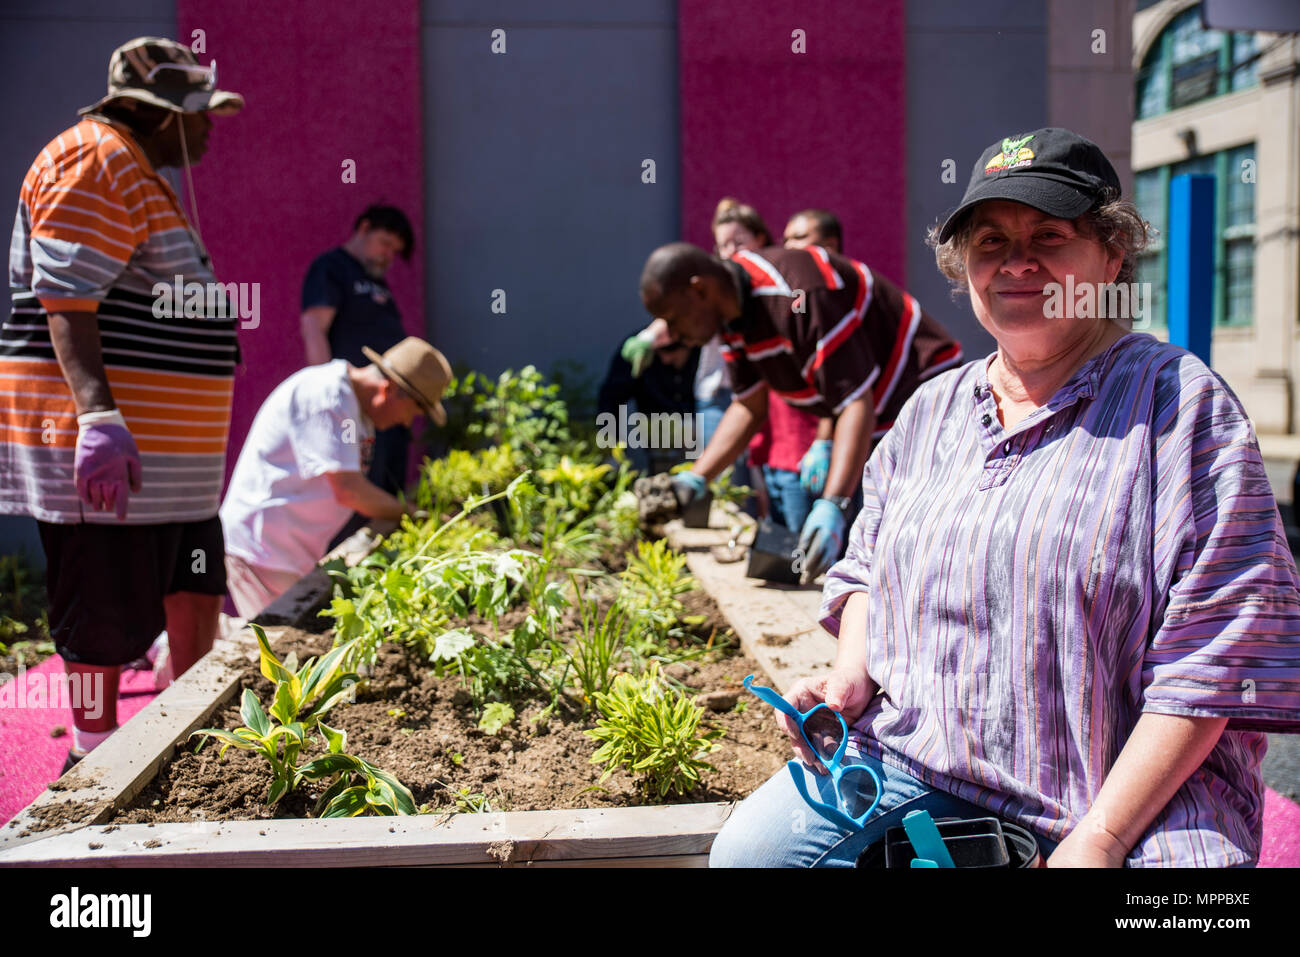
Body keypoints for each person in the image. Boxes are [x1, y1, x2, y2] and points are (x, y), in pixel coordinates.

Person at [709, 128, 1300, 868]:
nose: (1017, 262)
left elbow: (1216, 656)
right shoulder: (931, 411)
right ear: (964, 268)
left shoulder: (1185, 409)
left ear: (1111, 256)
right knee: (754, 856)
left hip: (1134, 800)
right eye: (991, 241)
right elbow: (866, 571)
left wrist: (1101, 838)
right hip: (917, 766)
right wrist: (852, 671)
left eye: (1049, 235)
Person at [0, 37, 243, 771]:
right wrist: (100, 417)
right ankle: (96, 756)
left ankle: (181, 730)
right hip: (117, 464)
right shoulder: (96, 158)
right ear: (157, 111)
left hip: (175, 477)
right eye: (200, 113)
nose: (209, 127)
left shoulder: (138, 169)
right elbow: (67, 301)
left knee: (194, 583)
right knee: (104, 609)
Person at [639, 242, 961, 585]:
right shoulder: (733, 319)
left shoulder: (796, 295)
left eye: (673, 319)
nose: (672, 335)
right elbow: (749, 405)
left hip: (920, 397)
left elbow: (855, 402)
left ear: (699, 289)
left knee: (905, 544)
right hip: (872, 413)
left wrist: (833, 504)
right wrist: (696, 479)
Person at [220, 337, 450, 619]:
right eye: (413, 412)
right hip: (263, 547)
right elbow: (349, 491)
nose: (406, 422)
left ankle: (184, 643)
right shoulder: (327, 396)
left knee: (278, 641)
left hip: (286, 551)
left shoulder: (353, 405)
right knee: (274, 649)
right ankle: (170, 649)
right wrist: (413, 513)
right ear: (389, 389)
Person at [300, 205, 417, 495]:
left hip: (389, 406)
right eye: (385, 244)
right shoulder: (332, 267)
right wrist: (325, 391)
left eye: (394, 251)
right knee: (361, 495)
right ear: (364, 228)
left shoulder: (375, 280)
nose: (388, 256)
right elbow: (314, 327)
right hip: (354, 405)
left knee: (390, 491)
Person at [598, 333, 700, 475]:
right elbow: (611, 397)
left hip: (701, 436)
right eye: (661, 353)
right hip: (658, 439)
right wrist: (611, 445)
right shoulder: (639, 351)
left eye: (673, 352)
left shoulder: (703, 347)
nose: (666, 359)